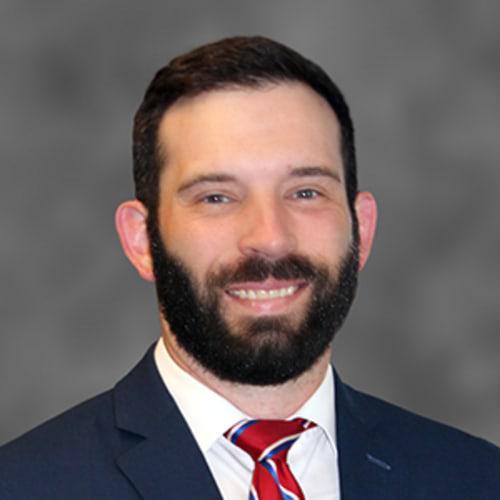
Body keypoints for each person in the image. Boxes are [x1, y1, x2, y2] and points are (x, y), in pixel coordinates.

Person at [0, 36, 498, 500]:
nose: (270, 237)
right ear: (141, 240)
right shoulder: (24, 484)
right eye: (216, 197)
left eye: (306, 192)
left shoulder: (476, 478)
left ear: (361, 229)